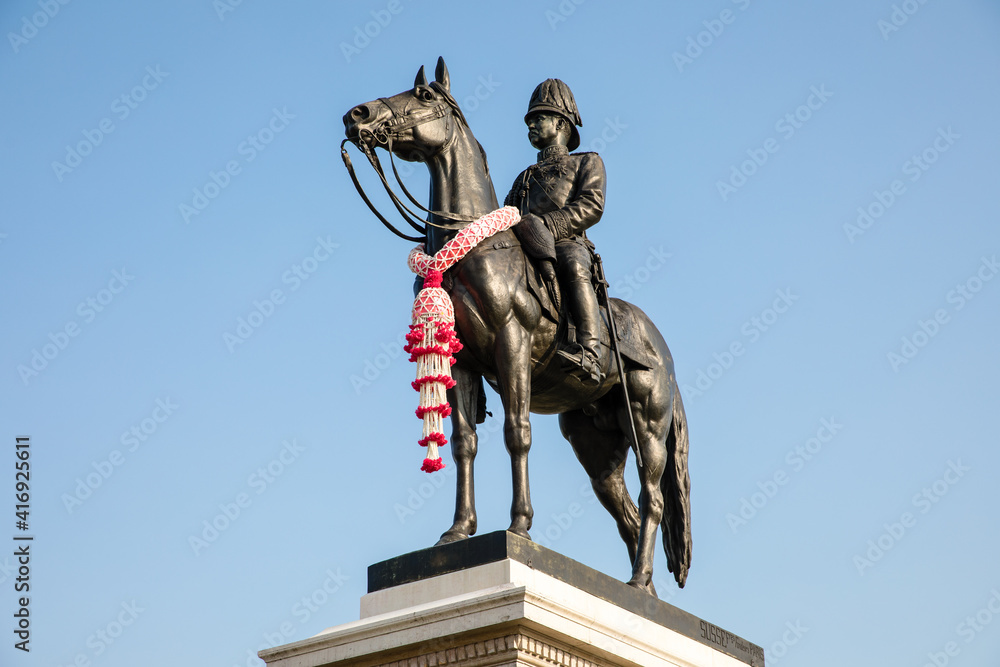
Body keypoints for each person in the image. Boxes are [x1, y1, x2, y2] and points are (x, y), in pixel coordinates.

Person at [504, 79, 607, 383]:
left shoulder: (587, 162)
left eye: (539, 118)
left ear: (561, 123)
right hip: (524, 248)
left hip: (566, 243)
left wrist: (548, 226)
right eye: (529, 120)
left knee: (573, 262)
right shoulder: (524, 177)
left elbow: (592, 205)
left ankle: (590, 351)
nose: (531, 125)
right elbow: (508, 215)